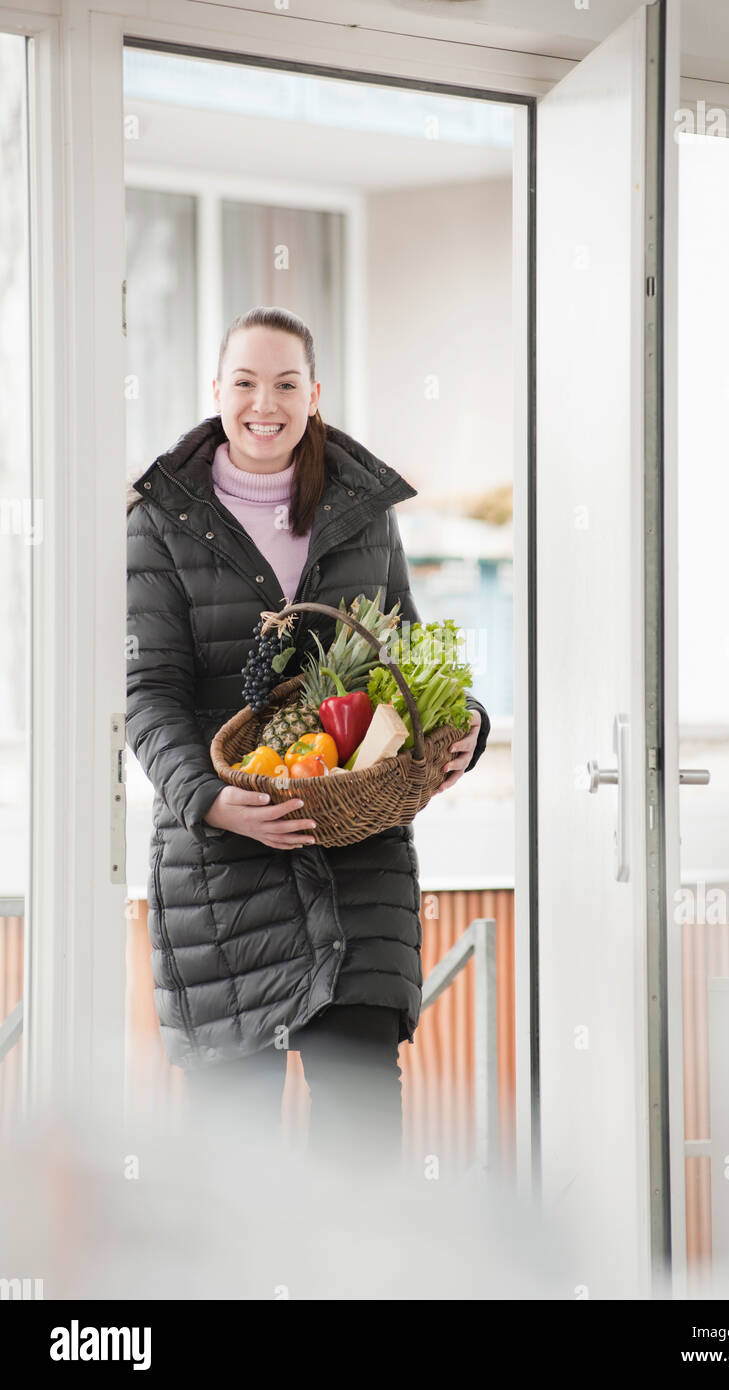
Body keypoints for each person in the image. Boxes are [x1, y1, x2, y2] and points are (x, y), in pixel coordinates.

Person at [126, 305, 490, 1178]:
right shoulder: (161, 520)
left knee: (359, 1152)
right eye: (246, 383)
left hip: (358, 862)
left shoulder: (363, 512)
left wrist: (463, 727)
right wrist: (213, 800)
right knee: (236, 1166)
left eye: (286, 384)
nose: (266, 404)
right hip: (220, 872)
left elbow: (402, 657)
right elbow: (148, 692)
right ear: (217, 392)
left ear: (314, 395)